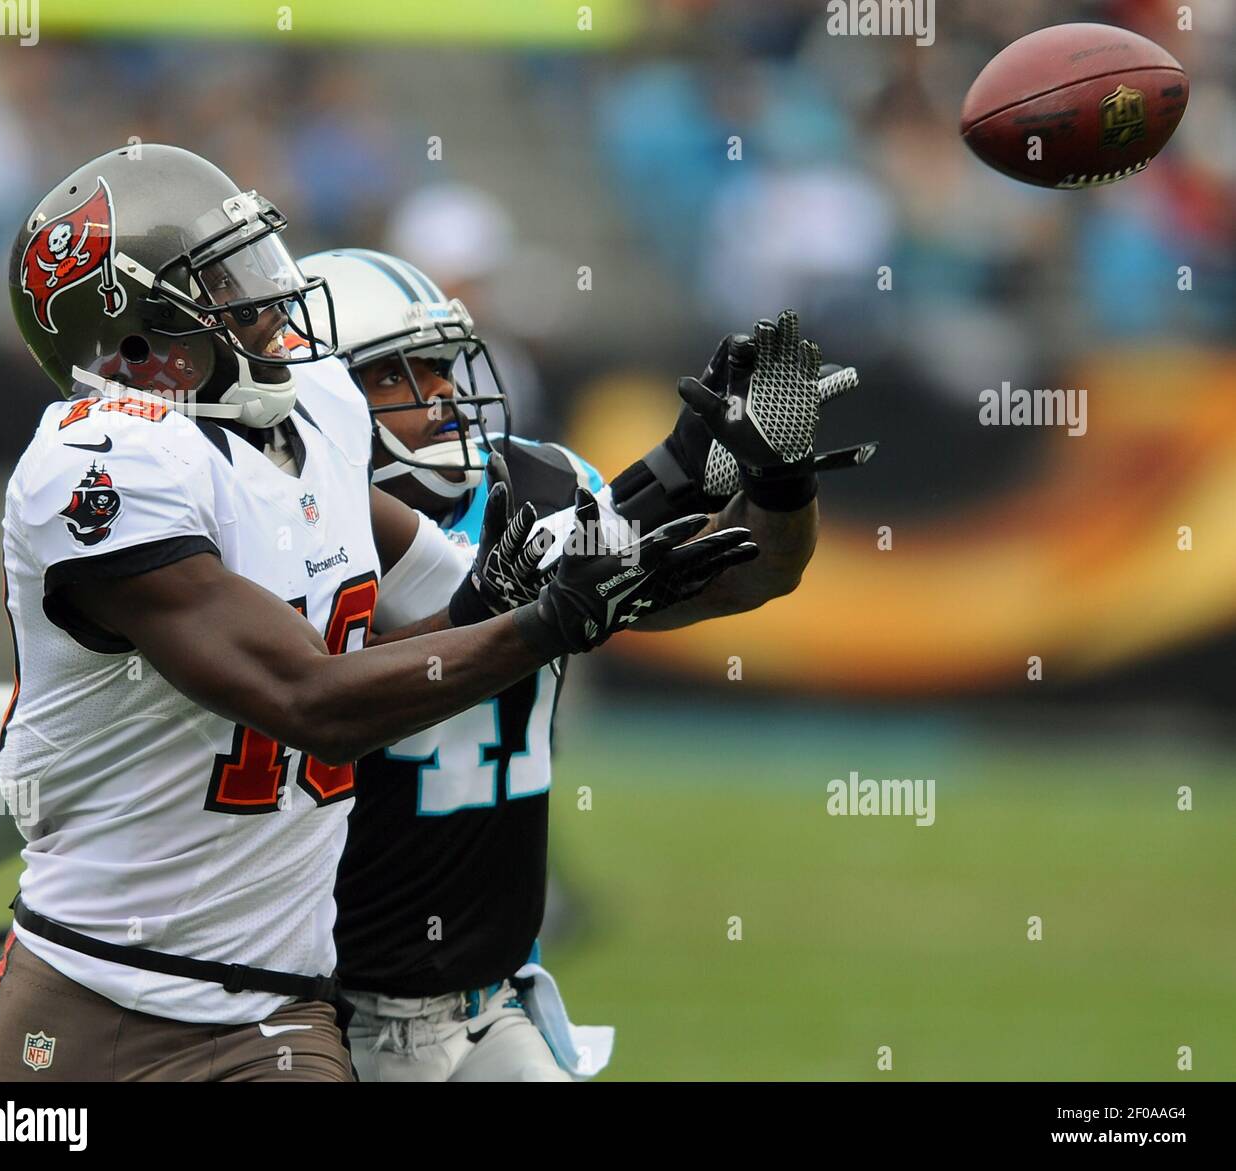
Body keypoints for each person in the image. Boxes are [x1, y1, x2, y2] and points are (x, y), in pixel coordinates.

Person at [0, 145, 754, 1083]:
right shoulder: (102, 467)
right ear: (137, 336)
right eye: (224, 282)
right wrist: (550, 621)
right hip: (87, 991)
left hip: (281, 1011)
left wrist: (666, 487)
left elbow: (466, 596)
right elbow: (310, 701)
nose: (270, 300)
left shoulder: (319, 409)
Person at [296, 248, 874, 1080]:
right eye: (399, 372)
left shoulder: (538, 479)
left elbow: (750, 573)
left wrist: (776, 482)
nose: (444, 390)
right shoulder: (307, 529)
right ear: (322, 395)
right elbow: (334, 696)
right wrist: (650, 491)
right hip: (331, 1012)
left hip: (491, 1003)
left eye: (440, 363)